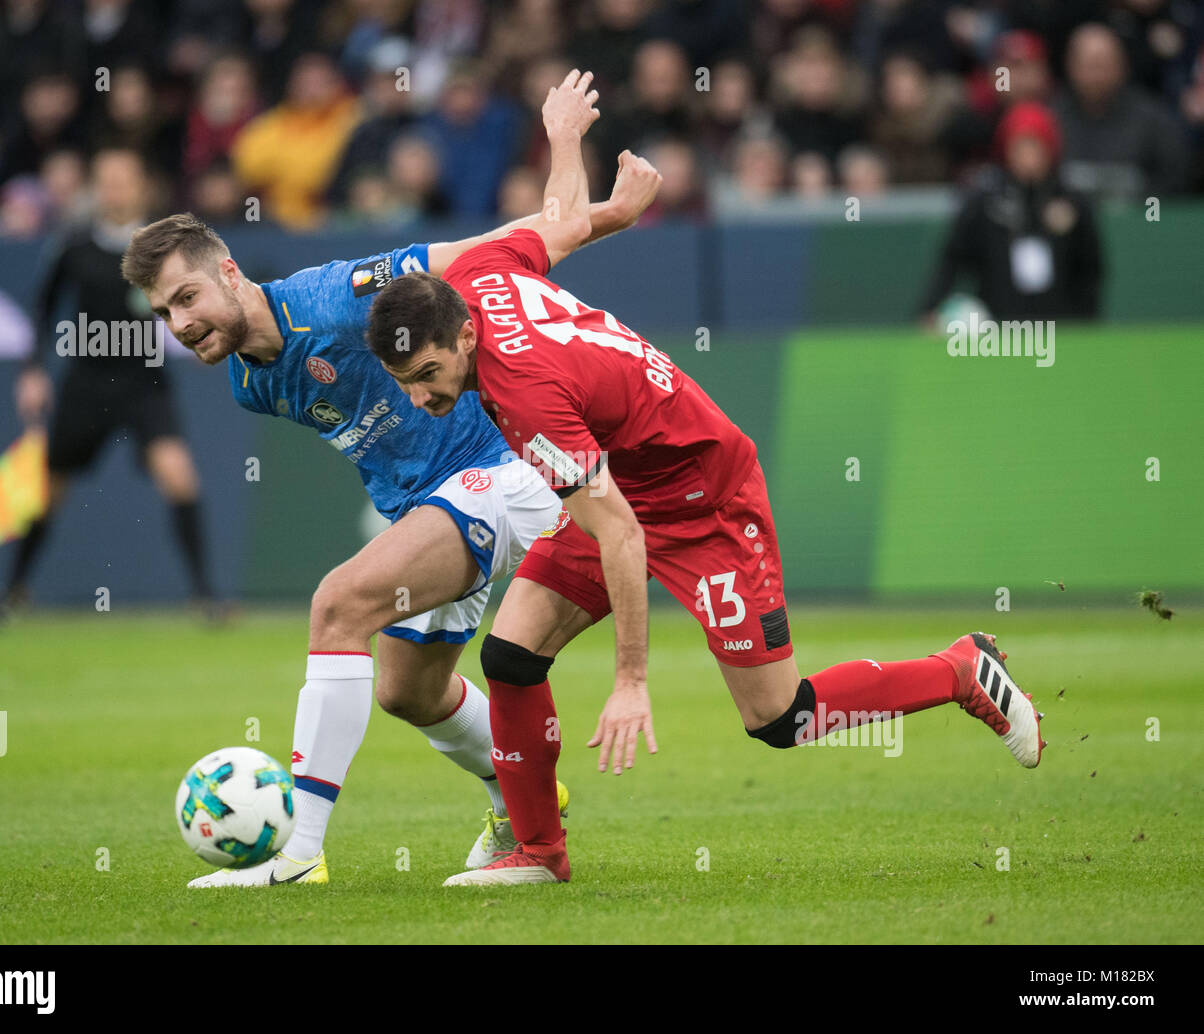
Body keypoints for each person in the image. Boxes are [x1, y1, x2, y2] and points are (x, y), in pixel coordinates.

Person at [366, 70, 1045, 887]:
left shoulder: (524, 390)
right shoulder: (477, 274)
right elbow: (558, 219)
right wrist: (566, 139)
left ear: (465, 338)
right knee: (511, 654)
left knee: (781, 719)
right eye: (404, 382)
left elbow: (618, 531)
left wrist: (630, 681)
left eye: (430, 373)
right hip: (629, 476)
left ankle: (960, 671)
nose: (420, 397)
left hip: (703, 495)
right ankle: (539, 853)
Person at [119, 102, 661, 888]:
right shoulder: (246, 381)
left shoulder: (336, 295)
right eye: (165, 312)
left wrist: (599, 207)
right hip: (439, 506)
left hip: (503, 470)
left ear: (230, 272)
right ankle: (521, 802)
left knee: (339, 606)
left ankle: (298, 854)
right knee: (411, 691)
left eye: (189, 297)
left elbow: (494, 254)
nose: (181, 322)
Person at [0, 146, 217, 624]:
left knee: (178, 474)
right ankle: (13, 591)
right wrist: (32, 371)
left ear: (141, 187)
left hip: (144, 381)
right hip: (86, 386)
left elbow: (197, 296)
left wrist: (207, 338)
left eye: (124, 180)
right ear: (96, 187)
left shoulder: (164, 247)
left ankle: (205, 597)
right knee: (48, 491)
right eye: (106, 180)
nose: (115, 190)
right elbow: (44, 309)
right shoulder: (74, 245)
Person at [920, 101, 1103, 323]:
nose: (1028, 158)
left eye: (1036, 147)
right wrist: (932, 307)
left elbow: (1090, 270)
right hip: (998, 322)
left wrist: (1085, 318)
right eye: (1019, 147)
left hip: (1061, 322)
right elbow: (952, 260)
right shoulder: (984, 203)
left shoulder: (1072, 203)